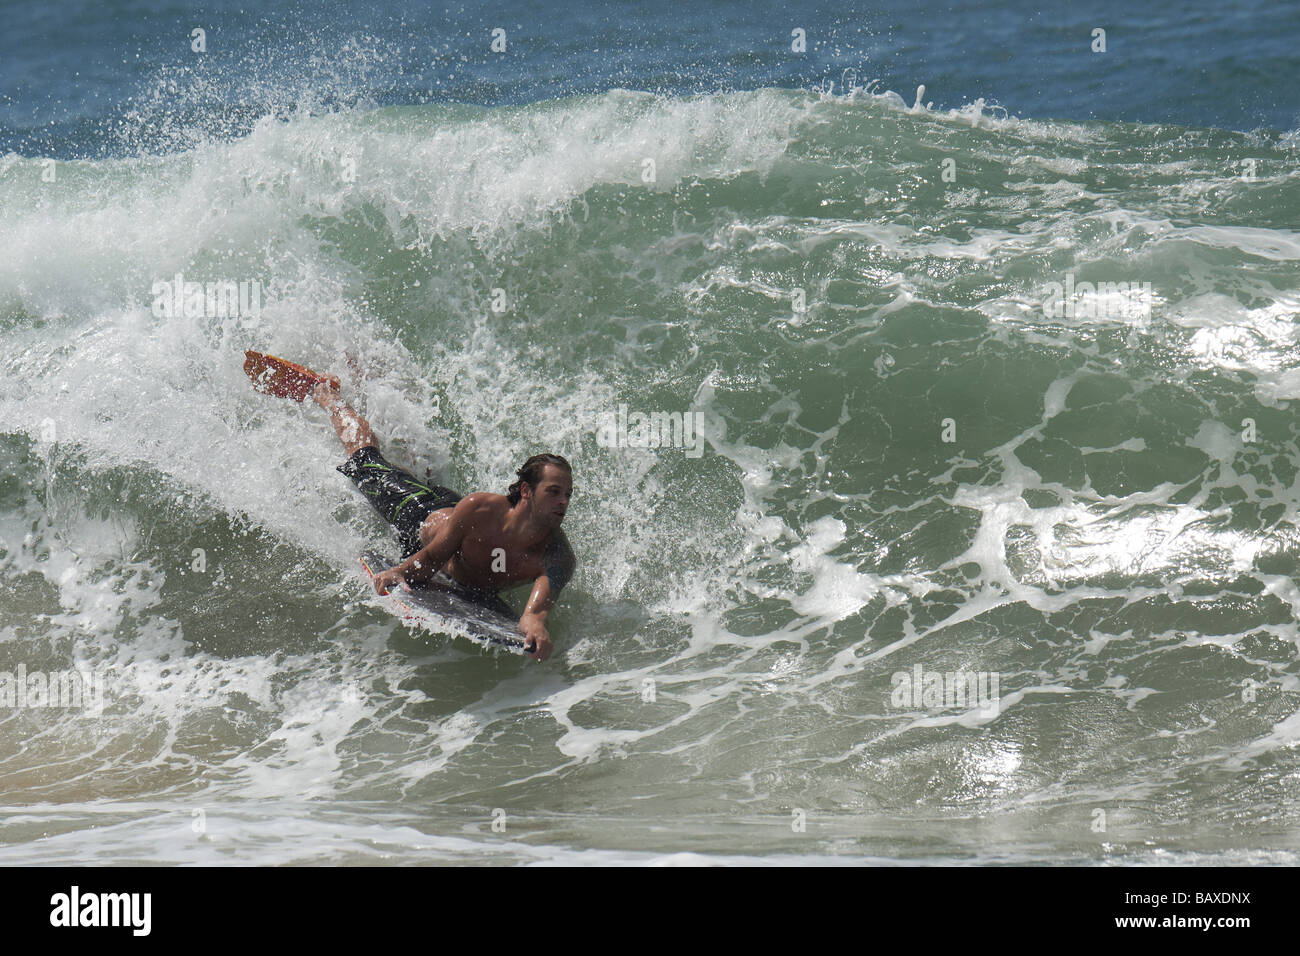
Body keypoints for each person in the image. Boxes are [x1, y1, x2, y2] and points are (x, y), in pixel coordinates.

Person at [311, 381, 575, 661]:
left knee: (417, 478)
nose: (563, 502)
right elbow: (434, 557)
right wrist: (401, 571)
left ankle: (404, 448)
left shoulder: (558, 557)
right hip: (418, 513)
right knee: (365, 461)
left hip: (454, 519)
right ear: (526, 491)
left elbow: (534, 614)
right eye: (553, 492)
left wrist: (536, 627)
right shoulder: (481, 509)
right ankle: (329, 395)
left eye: (568, 494)